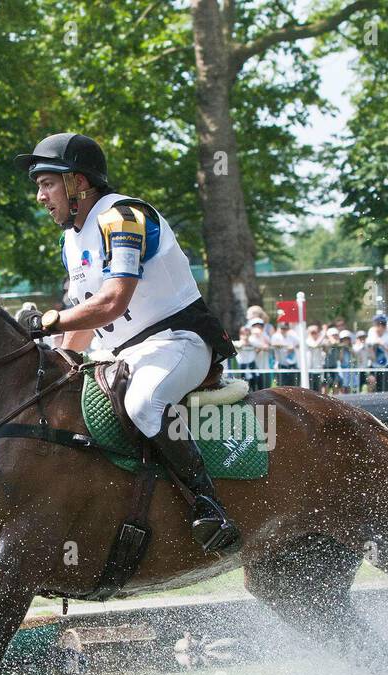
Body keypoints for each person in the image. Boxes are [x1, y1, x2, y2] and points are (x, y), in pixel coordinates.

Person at [17, 133, 239, 552]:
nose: (40, 196)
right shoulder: (71, 240)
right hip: (127, 354)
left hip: (180, 341)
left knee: (143, 403)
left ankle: (210, 505)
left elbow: (114, 301)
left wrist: (48, 321)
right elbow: (84, 320)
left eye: (46, 183)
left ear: (76, 183)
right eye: (38, 186)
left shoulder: (123, 216)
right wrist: (58, 361)